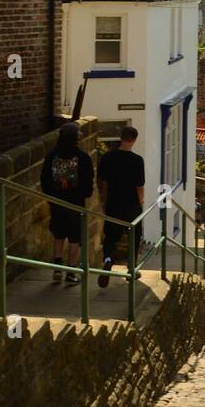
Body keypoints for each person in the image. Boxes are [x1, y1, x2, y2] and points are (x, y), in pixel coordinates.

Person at [40, 123, 95, 284]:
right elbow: (88, 181)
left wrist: (52, 196)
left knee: (58, 234)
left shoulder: (51, 156)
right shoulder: (82, 157)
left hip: (57, 202)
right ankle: (71, 272)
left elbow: (44, 179)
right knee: (74, 237)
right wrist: (84, 194)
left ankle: (57, 268)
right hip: (76, 203)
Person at [97, 126, 145, 288]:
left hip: (113, 203)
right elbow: (140, 187)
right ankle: (131, 269)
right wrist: (140, 203)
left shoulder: (108, 157)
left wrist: (104, 200)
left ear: (121, 138)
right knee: (134, 236)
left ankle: (108, 260)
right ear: (134, 140)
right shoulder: (137, 160)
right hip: (132, 205)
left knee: (110, 235)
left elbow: (102, 182)